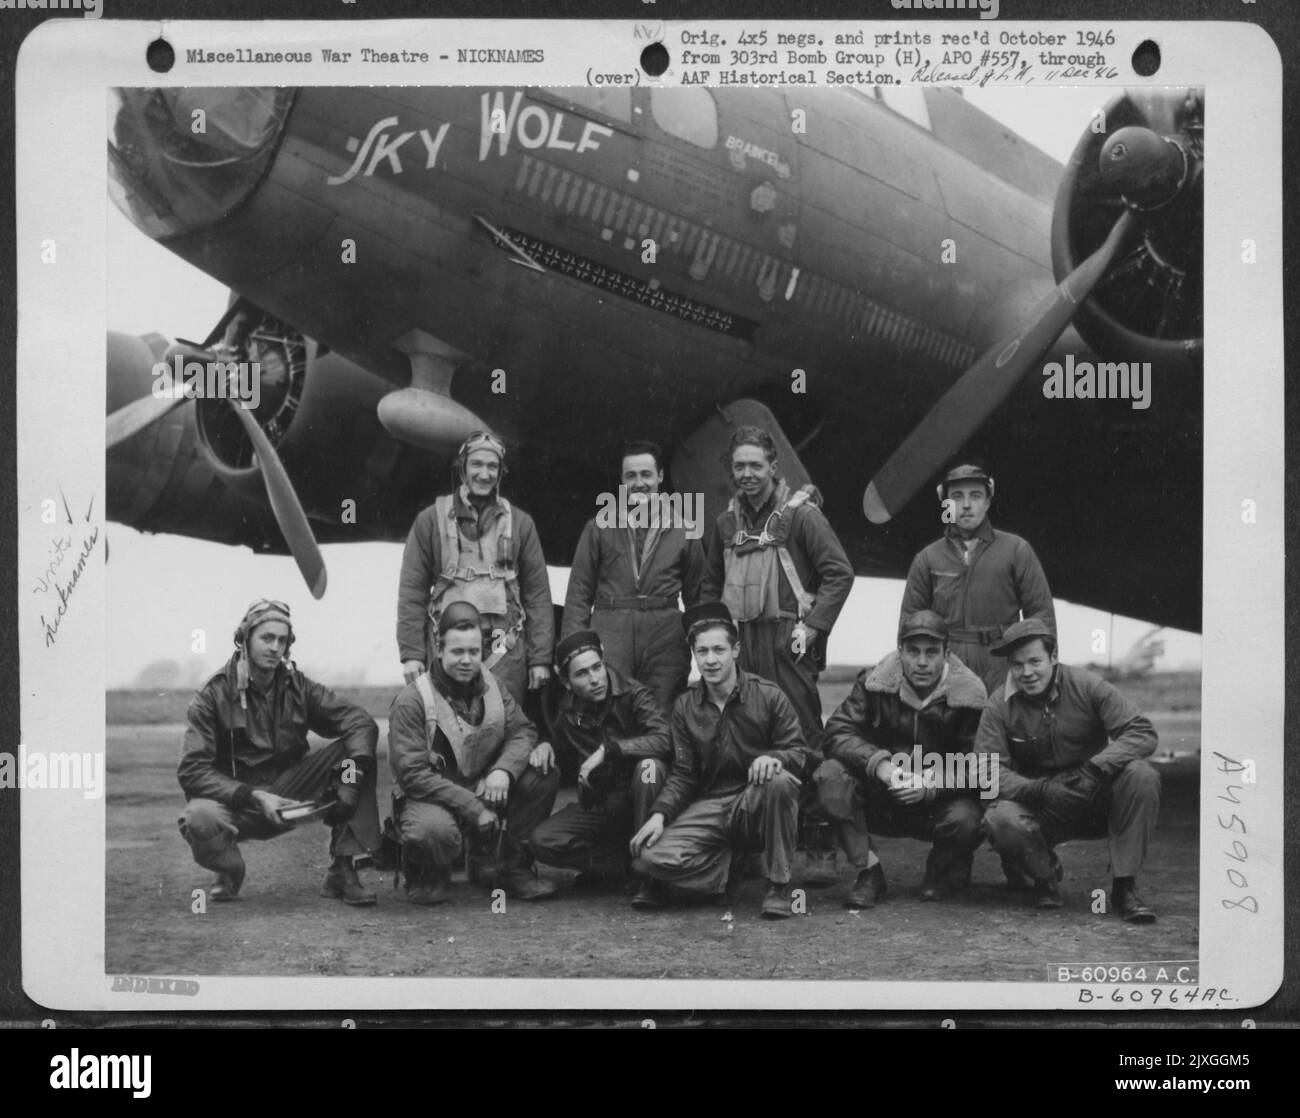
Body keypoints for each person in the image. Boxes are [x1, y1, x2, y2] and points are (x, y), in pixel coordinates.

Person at [177, 599, 380, 905]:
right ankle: (229, 869)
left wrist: (350, 781)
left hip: (288, 793)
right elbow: (192, 770)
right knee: (198, 817)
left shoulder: (297, 687)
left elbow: (359, 722)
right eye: (266, 638)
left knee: (354, 754)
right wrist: (253, 795)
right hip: (237, 803)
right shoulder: (213, 695)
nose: (275, 647)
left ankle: (342, 867)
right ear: (245, 640)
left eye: (282, 640)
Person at [629, 602, 816, 919]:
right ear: (694, 655)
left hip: (754, 802)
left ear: (736, 650)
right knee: (646, 859)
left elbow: (799, 751)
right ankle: (731, 867)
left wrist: (775, 757)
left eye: (719, 649)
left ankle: (779, 886)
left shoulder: (768, 695)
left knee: (781, 781)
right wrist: (660, 814)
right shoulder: (685, 706)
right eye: (702, 652)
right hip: (710, 806)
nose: (711, 660)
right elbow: (684, 774)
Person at [974, 618, 1160, 922]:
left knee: (1142, 775)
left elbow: (1141, 731)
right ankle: (1043, 876)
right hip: (1043, 805)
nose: (1027, 673)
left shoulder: (1088, 685)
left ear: (1054, 656)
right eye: (1017, 665)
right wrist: (1038, 789)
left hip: (1093, 795)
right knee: (998, 818)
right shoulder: (998, 705)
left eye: (1035, 661)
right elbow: (986, 771)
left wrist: (1096, 768)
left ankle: (1124, 887)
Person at [387, 602, 559, 904]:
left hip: (481, 786)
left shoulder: (493, 684)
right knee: (431, 831)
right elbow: (413, 776)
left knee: (540, 774)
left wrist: (502, 771)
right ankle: (426, 869)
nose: (467, 661)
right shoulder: (412, 700)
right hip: (432, 797)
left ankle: (507, 864)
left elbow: (523, 730)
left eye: (474, 652)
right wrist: (474, 808)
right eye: (457, 652)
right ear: (438, 649)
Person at [814, 611, 989, 908]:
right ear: (900, 652)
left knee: (969, 817)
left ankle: (943, 868)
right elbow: (837, 730)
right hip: (883, 795)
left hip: (937, 804)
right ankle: (868, 870)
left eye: (932, 652)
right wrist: (882, 766)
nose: (922, 662)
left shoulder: (971, 696)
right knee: (830, 775)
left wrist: (931, 784)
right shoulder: (872, 685)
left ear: (946, 654)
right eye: (913, 652)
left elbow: (985, 766)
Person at [396, 430, 554, 706]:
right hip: (448, 645)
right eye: (477, 465)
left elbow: (538, 596)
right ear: (462, 469)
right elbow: (412, 592)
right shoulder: (430, 521)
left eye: (492, 466)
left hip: (504, 646)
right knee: (446, 728)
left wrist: (540, 658)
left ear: (501, 473)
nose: (484, 474)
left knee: (503, 723)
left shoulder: (521, 523)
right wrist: (411, 654)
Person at [561, 439, 705, 713]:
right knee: (612, 711)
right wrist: (576, 650)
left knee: (661, 712)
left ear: (660, 476)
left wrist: (703, 646)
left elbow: (698, 598)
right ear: (622, 480)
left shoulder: (685, 530)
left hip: (665, 636)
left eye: (646, 474)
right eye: (631, 476)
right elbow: (578, 594)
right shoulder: (598, 528)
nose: (639, 483)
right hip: (611, 631)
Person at [527, 630, 671, 890]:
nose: (595, 679)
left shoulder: (633, 694)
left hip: (646, 800)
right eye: (582, 674)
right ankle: (623, 867)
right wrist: (545, 745)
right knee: (543, 840)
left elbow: (664, 739)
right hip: (605, 806)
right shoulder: (568, 710)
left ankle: (647, 872)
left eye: (597, 667)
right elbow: (559, 742)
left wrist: (610, 750)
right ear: (567, 682)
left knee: (649, 769)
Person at [900, 462, 1056, 696]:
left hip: (1002, 664)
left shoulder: (1016, 550)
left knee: (1003, 729)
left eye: (975, 496)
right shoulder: (927, 558)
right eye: (956, 497)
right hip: (949, 667)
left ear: (988, 502)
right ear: (946, 504)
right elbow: (909, 622)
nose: (965, 505)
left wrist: (1045, 672)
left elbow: (1042, 616)